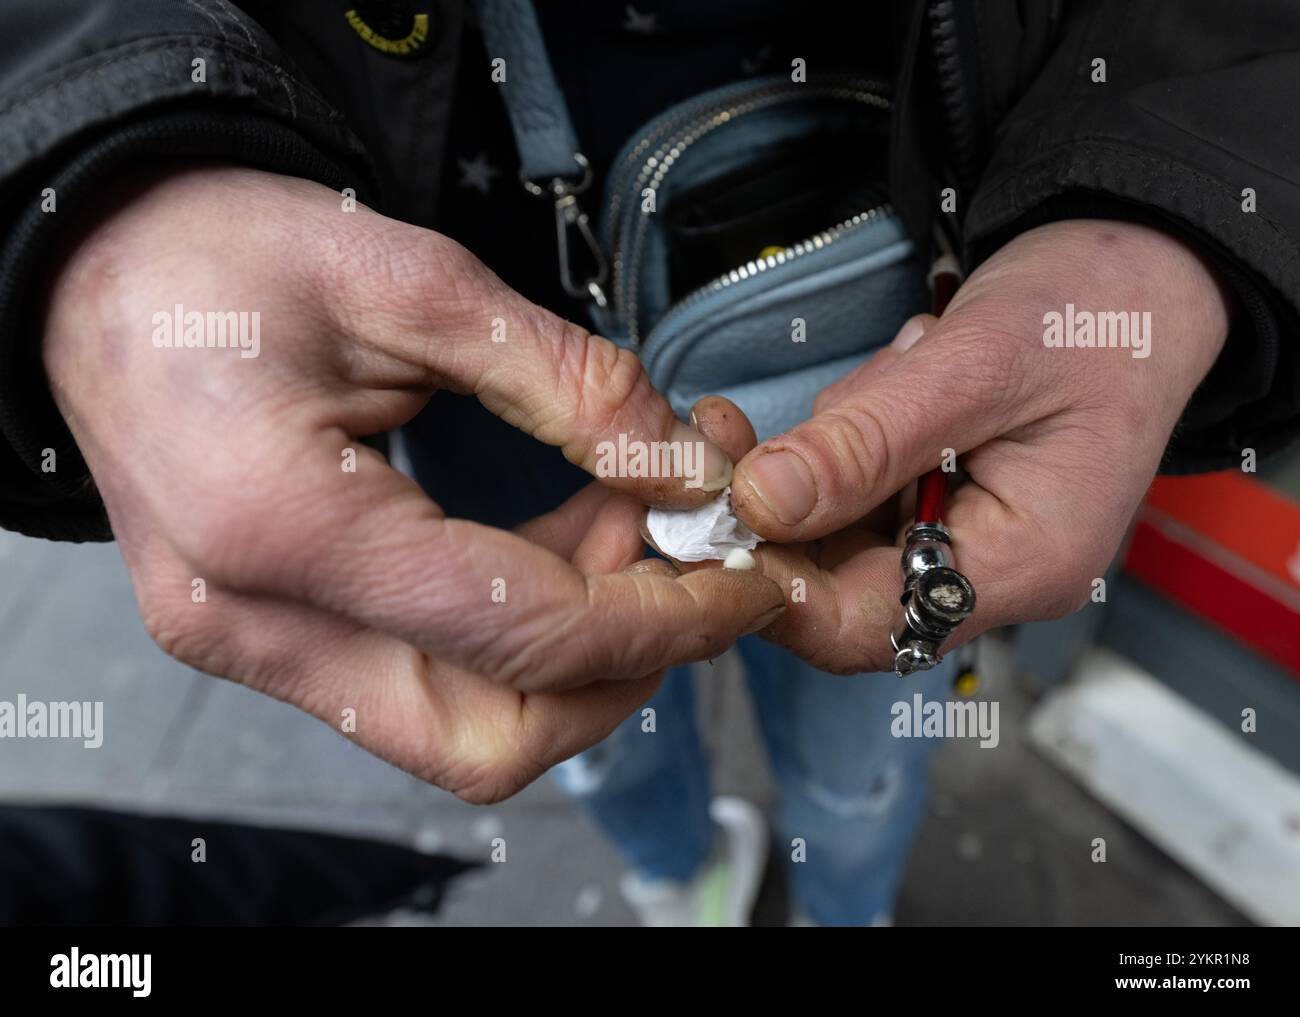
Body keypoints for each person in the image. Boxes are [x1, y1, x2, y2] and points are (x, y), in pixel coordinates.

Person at [0, 1, 1295, 925]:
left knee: (869, 744)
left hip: (882, 294)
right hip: (438, 318)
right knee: (575, 715)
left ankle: (845, 903)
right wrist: (111, 190)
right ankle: (684, 877)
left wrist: (1147, 219)